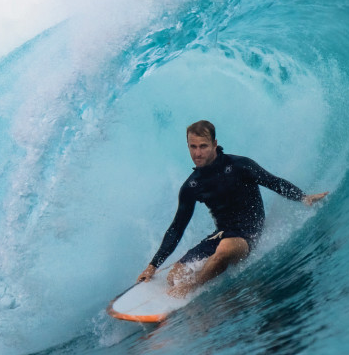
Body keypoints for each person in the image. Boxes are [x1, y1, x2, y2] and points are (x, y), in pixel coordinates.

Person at [137, 120, 328, 297]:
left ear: (214, 143)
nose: (197, 153)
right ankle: (198, 277)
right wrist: (153, 266)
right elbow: (176, 228)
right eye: (192, 147)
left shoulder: (239, 165)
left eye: (203, 146)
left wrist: (303, 197)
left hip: (247, 233)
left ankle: (192, 287)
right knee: (174, 277)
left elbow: (273, 182)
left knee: (224, 251)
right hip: (222, 233)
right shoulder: (192, 186)